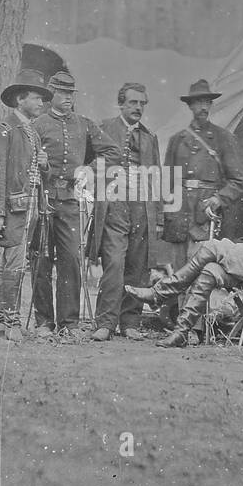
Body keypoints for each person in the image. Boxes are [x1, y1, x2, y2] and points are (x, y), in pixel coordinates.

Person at [127, 154, 243, 349]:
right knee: (209, 270)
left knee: (211, 246)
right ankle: (181, 332)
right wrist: (237, 248)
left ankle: (160, 292)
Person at [31, 70, 120, 339]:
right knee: (41, 260)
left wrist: (88, 170)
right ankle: (44, 321)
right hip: (43, 200)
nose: (68, 98)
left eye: (71, 93)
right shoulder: (38, 125)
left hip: (70, 202)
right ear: (51, 95)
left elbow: (112, 152)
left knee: (70, 259)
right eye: (63, 93)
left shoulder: (84, 124)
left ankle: (68, 323)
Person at [88, 83, 161, 342]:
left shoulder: (150, 138)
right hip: (114, 207)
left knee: (137, 266)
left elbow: (156, 178)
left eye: (142, 103)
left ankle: (130, 322)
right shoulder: (104, 129)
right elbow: (87, 163)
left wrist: (157, 218)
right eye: (133, 103)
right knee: (115, 264)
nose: (138, 108)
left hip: (141, 208)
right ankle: (105, 322)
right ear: (121, 104)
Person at [0, 68, 51, 342]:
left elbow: (33, 173)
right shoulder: (5, 131)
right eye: (36, 98)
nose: (41, 104)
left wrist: (44, 166)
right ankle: (8, 322)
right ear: (20, 99)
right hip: (12, 211)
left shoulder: (31, 133)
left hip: (30, 210)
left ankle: (11, 319)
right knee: (11, 264)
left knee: (19, 264)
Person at [161, 78, 243, 284]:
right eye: (199, 102)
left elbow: (240, 179)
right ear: (190, 106)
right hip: (179, 217)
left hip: (205, 216)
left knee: (201, 273)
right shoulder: (177, 140)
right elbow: (167, 182)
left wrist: (219, 199)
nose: (203, 107)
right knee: (178, 274)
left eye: (207, 102)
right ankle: (181, 315)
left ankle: (199, 317)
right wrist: (165, 216)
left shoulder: (223, 138)